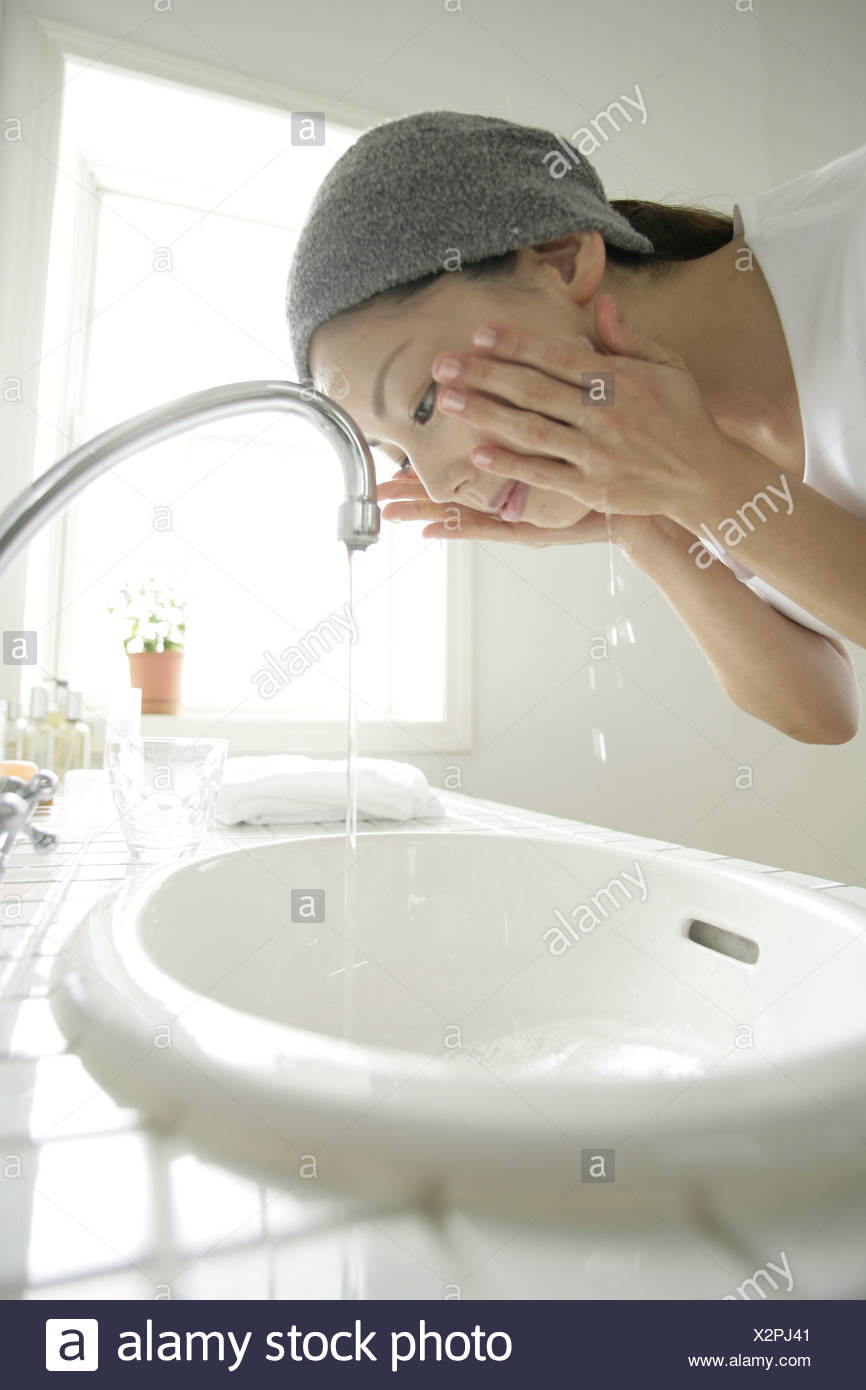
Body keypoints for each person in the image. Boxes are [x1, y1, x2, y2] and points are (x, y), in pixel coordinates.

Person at [286, 111, 865, 744]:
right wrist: (641, 520)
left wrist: (701, 479)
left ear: (561, 257)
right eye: (397, 457)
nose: (439, 481)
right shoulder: (674, 445)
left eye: (425, 404)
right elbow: (822, 710)